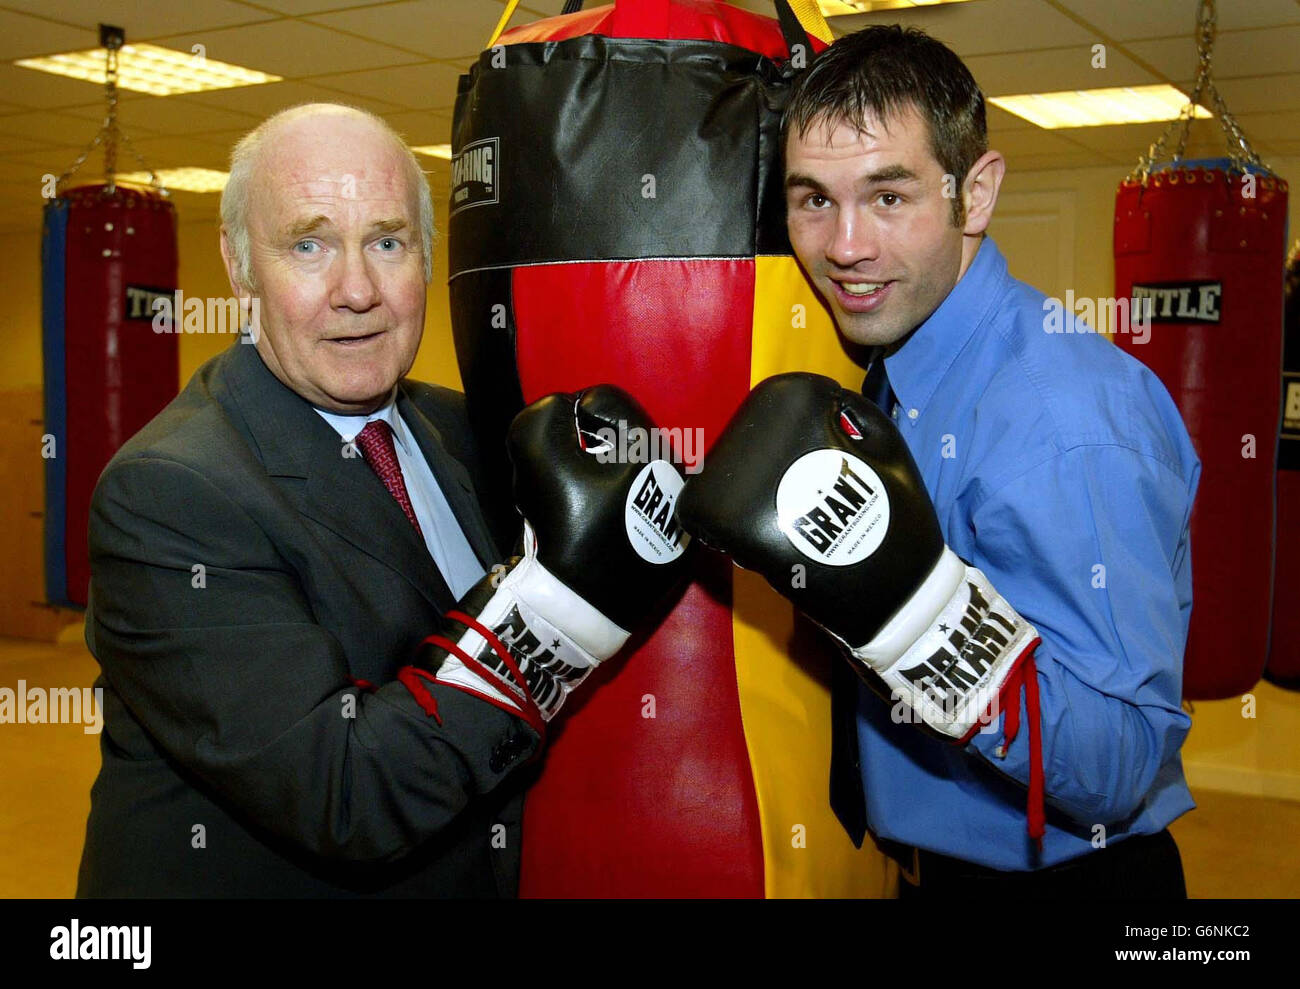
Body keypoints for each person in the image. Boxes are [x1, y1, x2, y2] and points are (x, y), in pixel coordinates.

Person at [76, 103, 684, 897]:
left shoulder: (463, 427)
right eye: (310, 244)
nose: (357, 290)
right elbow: (345, 793)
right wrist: (563, 612)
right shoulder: (169, 494)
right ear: (239, 266)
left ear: (426, 255)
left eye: (388, 242)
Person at [678, 26, 1199, 898]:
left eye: (889, 197)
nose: (844, 246)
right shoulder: (892, 370)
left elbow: (1124, 760)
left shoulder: (1066, 416)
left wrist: (920, 619)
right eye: (814, 201)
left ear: (977, 193)